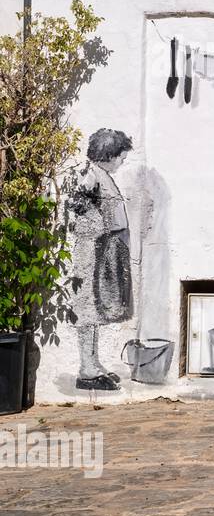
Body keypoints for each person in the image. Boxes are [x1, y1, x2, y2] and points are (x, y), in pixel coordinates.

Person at [67, 128, 134, 391]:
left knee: (99, 309)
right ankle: (87, 369)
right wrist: (101, 230)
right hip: (93, 252)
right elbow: (77, 206)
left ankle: (93, 364)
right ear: (109, 154)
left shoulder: (102, 175)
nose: (122, 162)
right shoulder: (91, 175)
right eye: (121, 157)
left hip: (105, 250)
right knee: (89, 309)